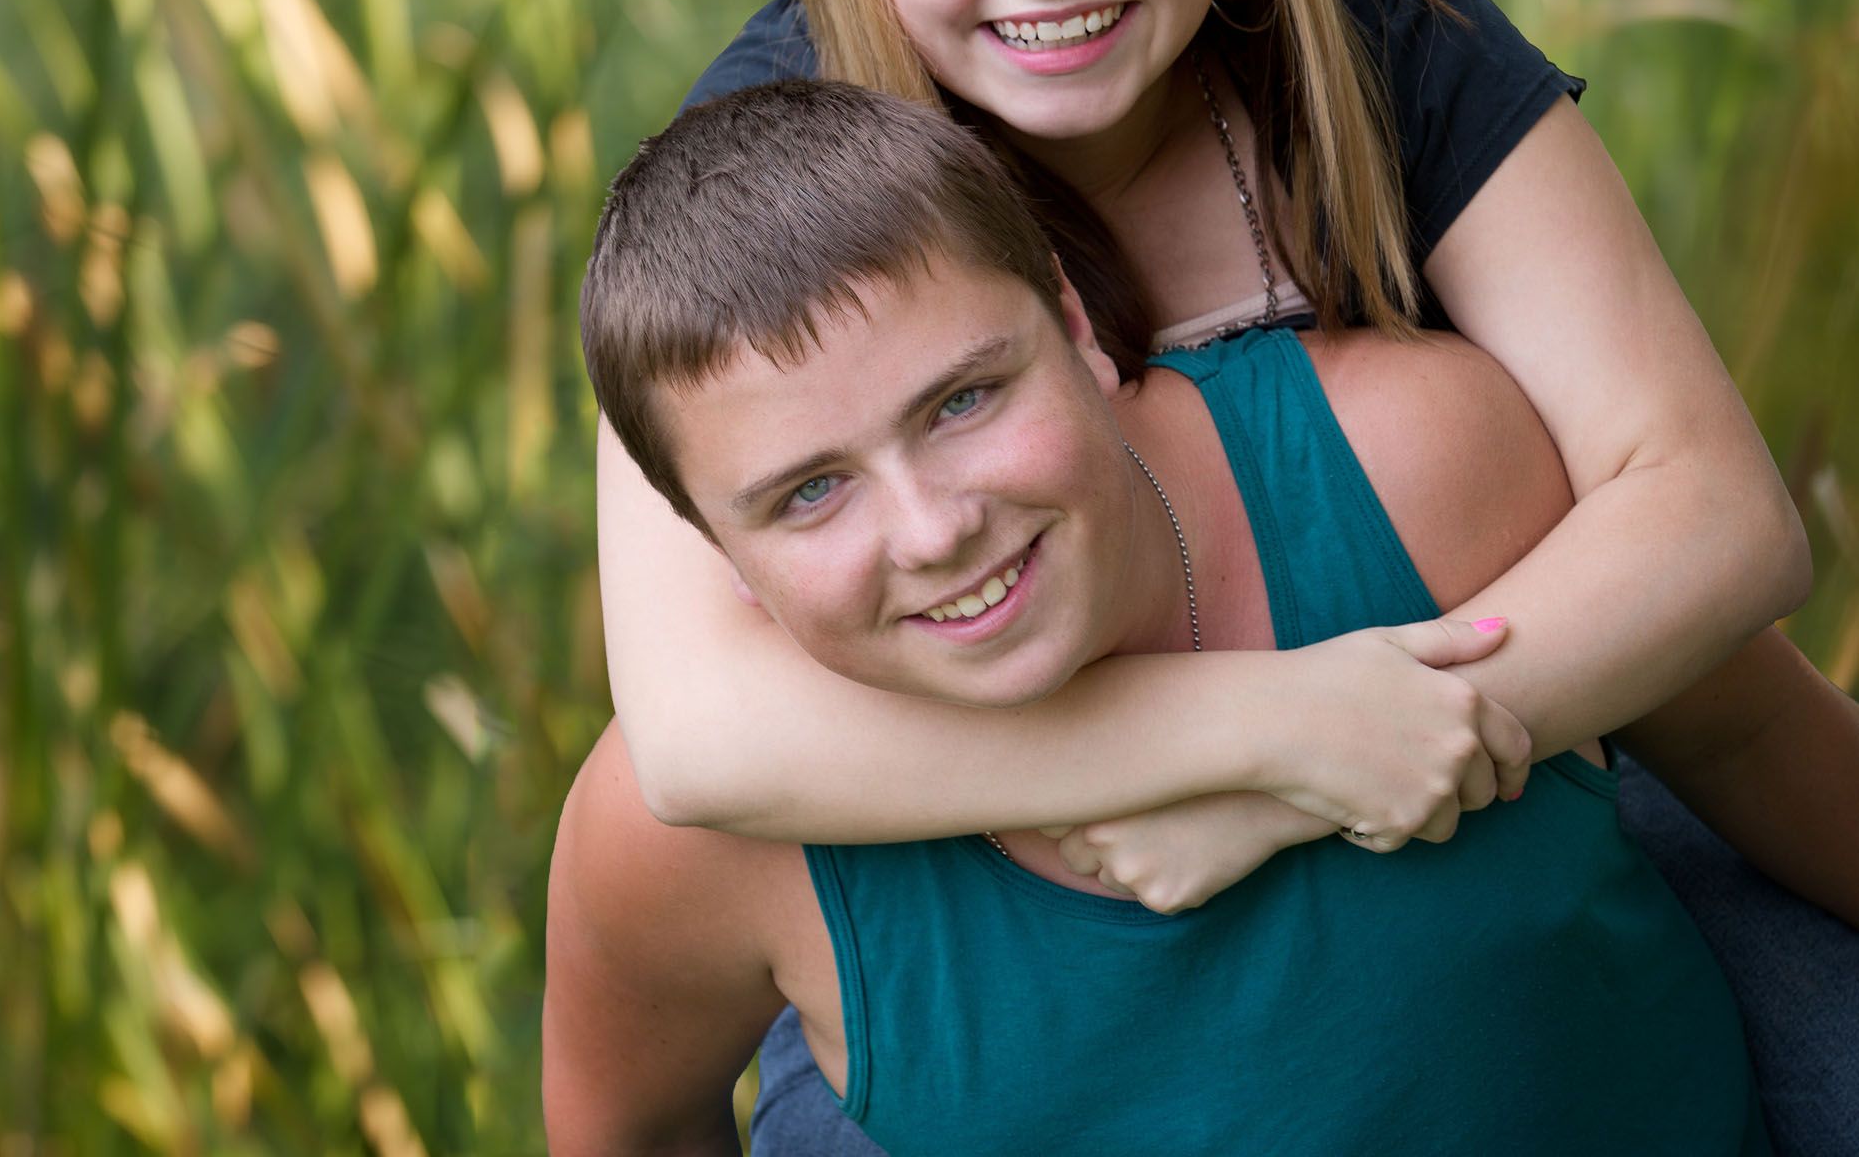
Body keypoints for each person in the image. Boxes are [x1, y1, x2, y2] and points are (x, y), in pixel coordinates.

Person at [586, 0, 1854, 1147]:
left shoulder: (1373, 40)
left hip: (1498, 753)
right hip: (995, 898)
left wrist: (1296, 789)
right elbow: (697, 735)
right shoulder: (776, 167)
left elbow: (1713, 513)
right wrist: (1258, 742)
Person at [548, 80, 1844, 1156]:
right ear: (710, 550)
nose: (934, 530)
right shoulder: (690, 847)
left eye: (963, 403)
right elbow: (629, 1129)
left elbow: (1755, 742)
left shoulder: (1413, 464)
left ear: (1076, 328)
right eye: (810, 492)